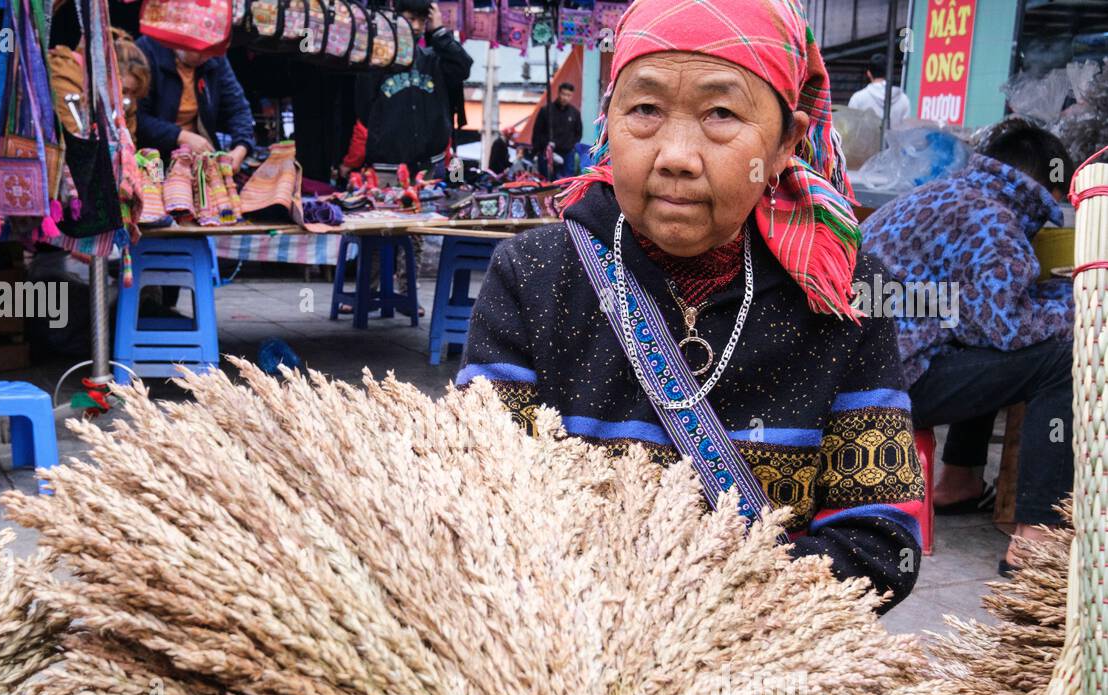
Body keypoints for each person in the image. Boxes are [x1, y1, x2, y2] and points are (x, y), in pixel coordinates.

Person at [458, 0, 924, 611]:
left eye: (721, 114)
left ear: (787, 144)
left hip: (761, 664)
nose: (676, 154)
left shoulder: (843, 294)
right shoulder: (535, 275)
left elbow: (882, 543)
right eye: (645, 109)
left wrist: (699, 612)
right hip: (560, 651)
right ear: (609, 123)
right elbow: (475, 501)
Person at [860, 118, 1073, 575]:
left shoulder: (944, 194)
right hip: (891, 386)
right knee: (1059, 358)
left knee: (979, 346)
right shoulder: (993, 219)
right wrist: (1082, 307)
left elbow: (968, 310)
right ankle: (1035, 538)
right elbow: (1006, 327)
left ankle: (959, 482)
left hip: (864, 371)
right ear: (1040, 190)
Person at [339, 1, 473, 181]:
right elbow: (364, 118)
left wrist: (439, 31)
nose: (417, 26)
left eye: (422, 20)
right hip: (387, 171)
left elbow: (463, 67)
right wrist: (353, 161)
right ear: (396, 18)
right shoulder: (376, 63)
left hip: (430, 170)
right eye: (411, 19)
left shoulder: (433, 61)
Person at [134, 35, 256, 171]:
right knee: (157, 188)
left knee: (214, 188)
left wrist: (241, 147)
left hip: (197, 159)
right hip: (152, 160)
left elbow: (237, 107)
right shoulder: (146, 51)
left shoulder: (214, 56)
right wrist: (180, 136)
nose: (206, 57)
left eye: (211, 51)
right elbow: (136, 117)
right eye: (200, 51)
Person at [531, 82, 583, 179]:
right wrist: (538, 151)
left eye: (568, 95)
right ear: (559, 93)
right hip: (547, 154)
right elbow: (537, 133)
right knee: (546, 185)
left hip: (567, 154)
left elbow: (578, 134)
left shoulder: (575, 113)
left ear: (571, 96)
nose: (565, 98)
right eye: (563, 94)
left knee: (565, 184)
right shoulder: (546, 110)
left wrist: (570, 146)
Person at [848, 52, 909, 127]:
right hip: (894, 138)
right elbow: (906, 130)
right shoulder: (903, 99)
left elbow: (850, 127)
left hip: (866, 139)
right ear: (888, 72)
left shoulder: (857, 98)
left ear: (869, 73)